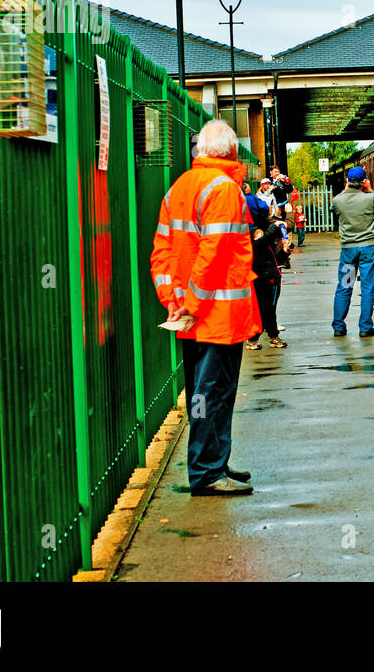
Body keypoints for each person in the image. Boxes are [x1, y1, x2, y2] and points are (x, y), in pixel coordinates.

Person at [150, 119, 260, 497]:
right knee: (214, 393)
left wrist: (175, 303)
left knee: (199, 394)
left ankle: (212, 462)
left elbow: (161, 252)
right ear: (230, 151)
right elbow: (214, 256)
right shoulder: (225, 189)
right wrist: (194, 305)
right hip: (217, 316)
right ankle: (207, 472)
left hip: (190, 316)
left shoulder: (180, 186)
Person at [330, 166, 374, 337]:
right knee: (368, 287)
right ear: (364, 182)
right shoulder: (369, 198)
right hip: (368, 249)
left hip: (349, 251)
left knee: (345, 286)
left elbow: (335, 210)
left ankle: (339, 327)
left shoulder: (337, 200)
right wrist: (370, 190)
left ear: (347, 181)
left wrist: (347, 188)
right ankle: (365, 327)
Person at [244, 191, 287, 351]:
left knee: (266, 306)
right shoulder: (255, 230)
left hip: (263, 271)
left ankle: (269, 335)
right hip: (264, 272)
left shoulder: (251, 226)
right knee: (266, 306)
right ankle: (257, 337)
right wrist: (272, 231)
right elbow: (260, 244)